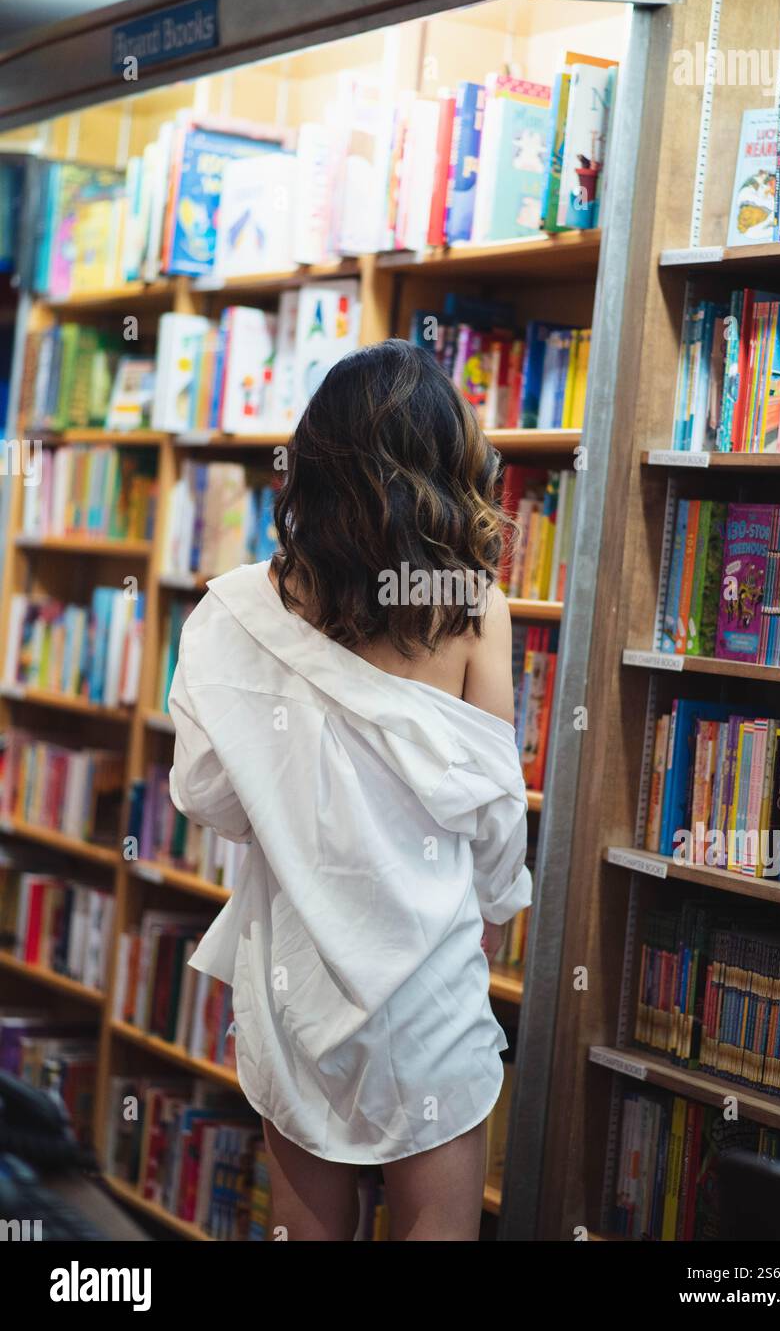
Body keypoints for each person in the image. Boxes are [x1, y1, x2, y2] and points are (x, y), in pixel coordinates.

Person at [168, 338, 532, 1241]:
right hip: (430, 993)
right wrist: (499, 902)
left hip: (298, 979)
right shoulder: (472, 605)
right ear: (450, 461)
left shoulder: (237, 611)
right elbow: (494, 819)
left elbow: (205, 795)